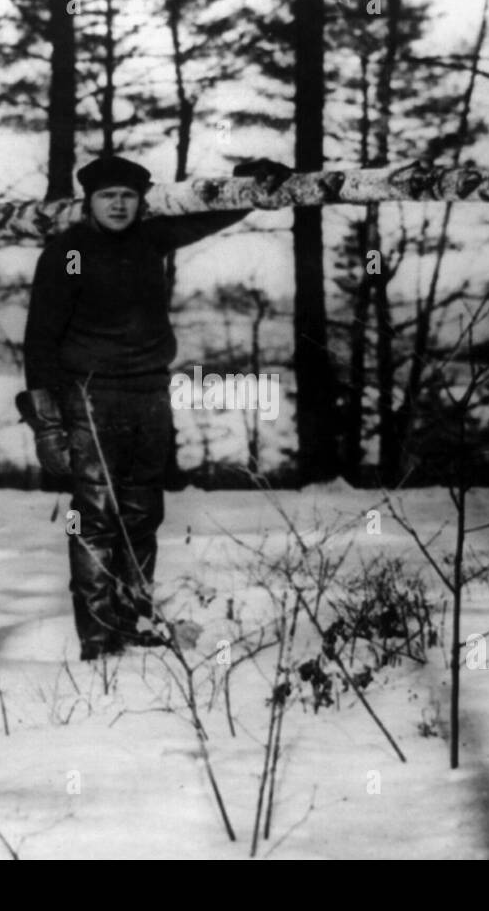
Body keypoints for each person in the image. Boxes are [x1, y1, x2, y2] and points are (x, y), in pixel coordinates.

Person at [18, 154, 291, 660]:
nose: (118, 204)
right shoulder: (67, 253)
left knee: (143, 513)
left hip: (148, 392)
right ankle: (98, 637)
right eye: (107, 196)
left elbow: (207, 216)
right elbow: (39, 341)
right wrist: (47, 426)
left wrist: (250, 185)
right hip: (88, 395)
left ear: (140, 201)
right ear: (89, 202)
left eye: (127, 196)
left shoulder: (150, 239)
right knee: (96, 517)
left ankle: (132, 620)